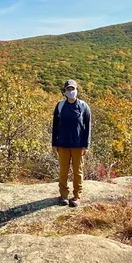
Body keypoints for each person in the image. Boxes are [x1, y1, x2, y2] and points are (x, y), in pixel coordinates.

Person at [52, 79, 91, 207]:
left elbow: (88, 127)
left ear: (76, 90)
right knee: (63, 171)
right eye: (68, 89)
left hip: (78, 145)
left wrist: (86, 145)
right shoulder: (60, 106)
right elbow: (55, 126)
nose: (71, 91)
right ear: (65, 91)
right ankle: (63, 195)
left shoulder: (83, 106)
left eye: (72, 89)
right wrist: (54, 144)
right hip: (62, 144)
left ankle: (76, 196)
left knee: (77, 171)